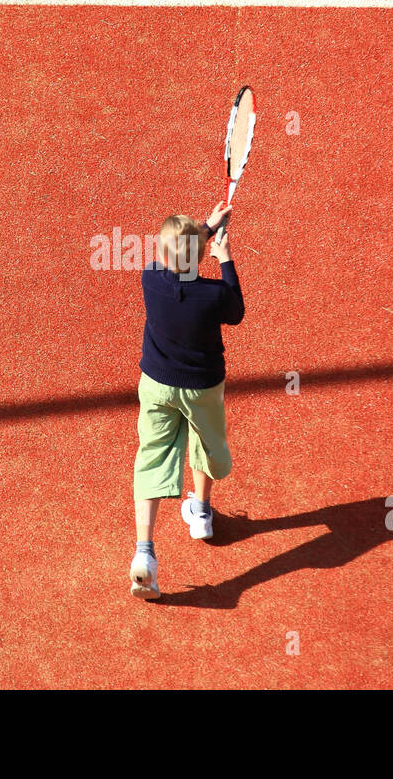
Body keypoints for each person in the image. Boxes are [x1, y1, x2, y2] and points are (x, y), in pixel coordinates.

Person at [129, 202, 244, 600]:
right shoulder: (213, 295)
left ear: (162, 255)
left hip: (156, 384)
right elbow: (236, 309)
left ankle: (145, 551)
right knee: (205, 442)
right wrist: (224, 257)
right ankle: (200, 513)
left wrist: (205, 229)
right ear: (200, 258)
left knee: (152, 455)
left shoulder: (150, 279)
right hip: (201, 388)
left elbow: (177, 260)